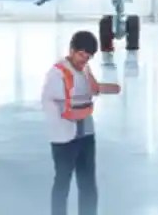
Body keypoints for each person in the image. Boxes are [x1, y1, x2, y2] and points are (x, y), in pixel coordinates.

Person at [41, 30, 121, 215]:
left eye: (88, 57)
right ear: (71, 50)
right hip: (64, 138)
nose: (83, 60)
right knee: (62, 183)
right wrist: (70, 116)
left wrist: (110, 88)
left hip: (86, 134)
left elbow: (93, 89)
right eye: (81, 55)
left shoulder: (85, 69)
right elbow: (51, 104)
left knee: (88, 184)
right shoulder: (56, 73)